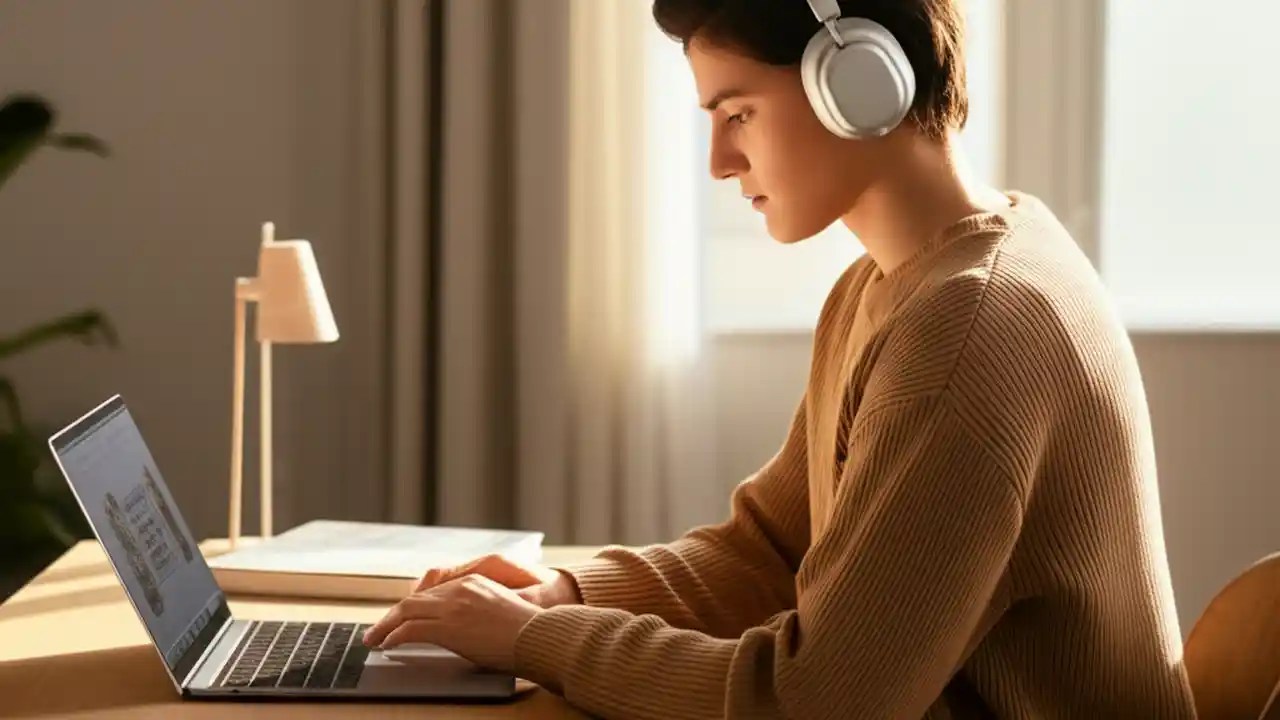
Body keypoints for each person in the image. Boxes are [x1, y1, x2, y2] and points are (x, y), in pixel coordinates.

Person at [363, 0, 1198, 716]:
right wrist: (568, 594)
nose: (721, 163)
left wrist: (537, 638)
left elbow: (816, 703)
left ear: (858, 84)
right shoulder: (892, 283)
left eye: (739, 114)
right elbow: (768, 551)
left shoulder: (970, 326)